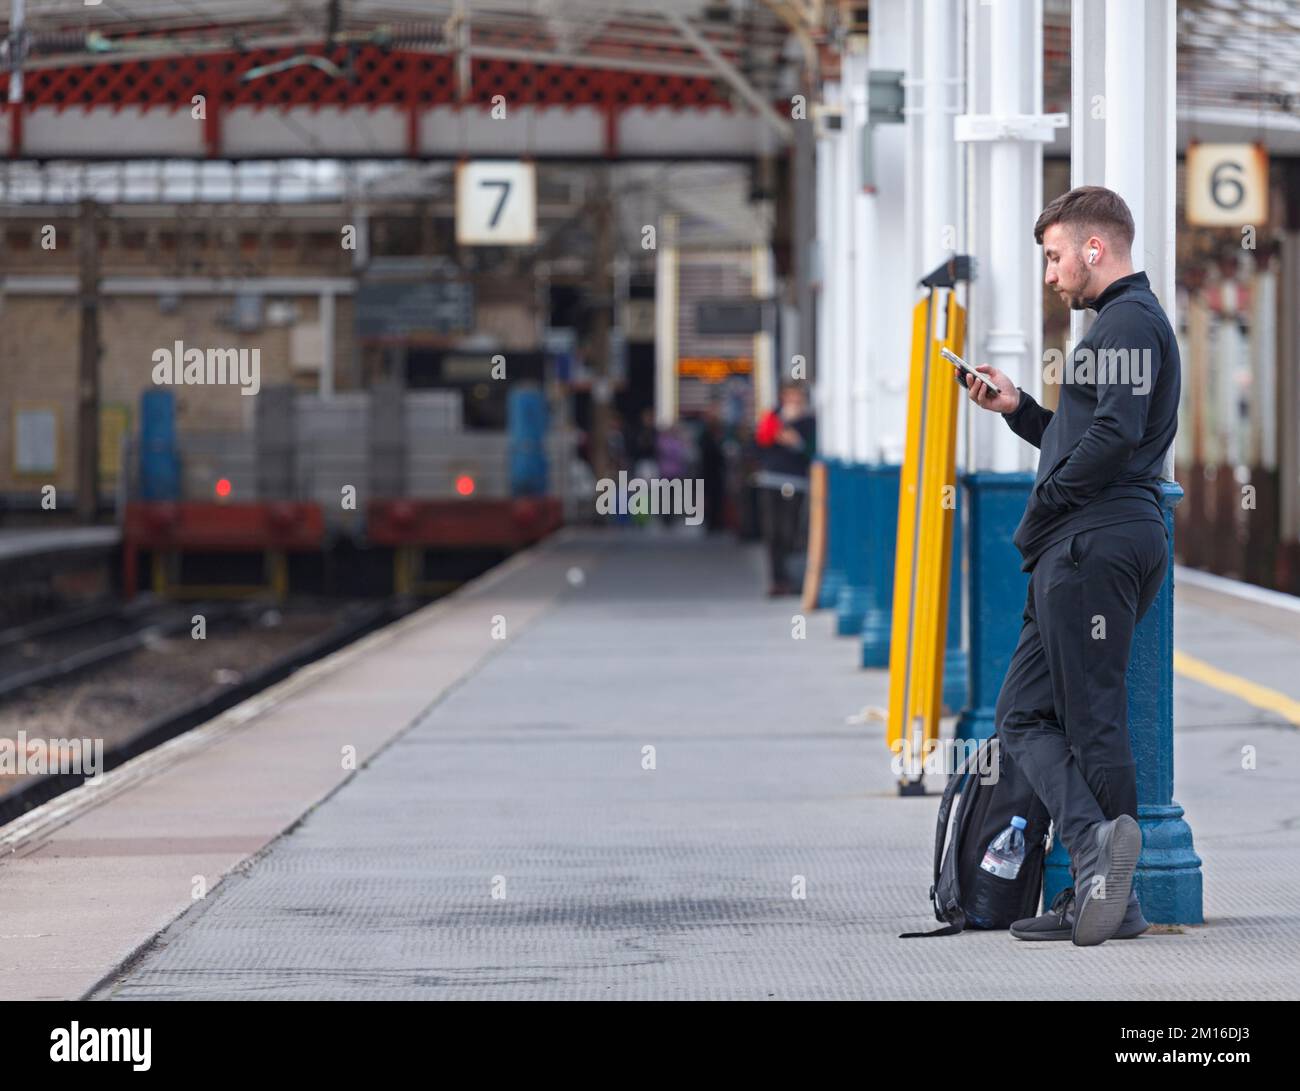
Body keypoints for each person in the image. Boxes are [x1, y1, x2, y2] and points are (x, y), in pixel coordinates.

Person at [958, 186, 1180, 946]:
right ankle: (1105, 877)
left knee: (1092, 722)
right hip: (1091, 538)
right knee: (1022, 712)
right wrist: (1018, 407)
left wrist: (1048, 498)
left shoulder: (1126, 321)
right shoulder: (1126, 328)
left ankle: (1101, 868)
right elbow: (1086, 433)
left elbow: (1114, 437)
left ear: (1095, 248)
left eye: (1055, 256)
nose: (1051, 274)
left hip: (1091, 543)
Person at [754, 382, 816, 596]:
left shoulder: (809, 421)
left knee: (789, 529)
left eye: (797, 397)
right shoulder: (773, 417)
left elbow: (811, 451)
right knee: (772, 531)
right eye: (789, 396)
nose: (793, 401)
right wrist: (780, 425)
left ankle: (792, 577)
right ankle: (777, 579)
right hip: (771, 479)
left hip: (794, 482)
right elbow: (760, 443)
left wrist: (796, 442)